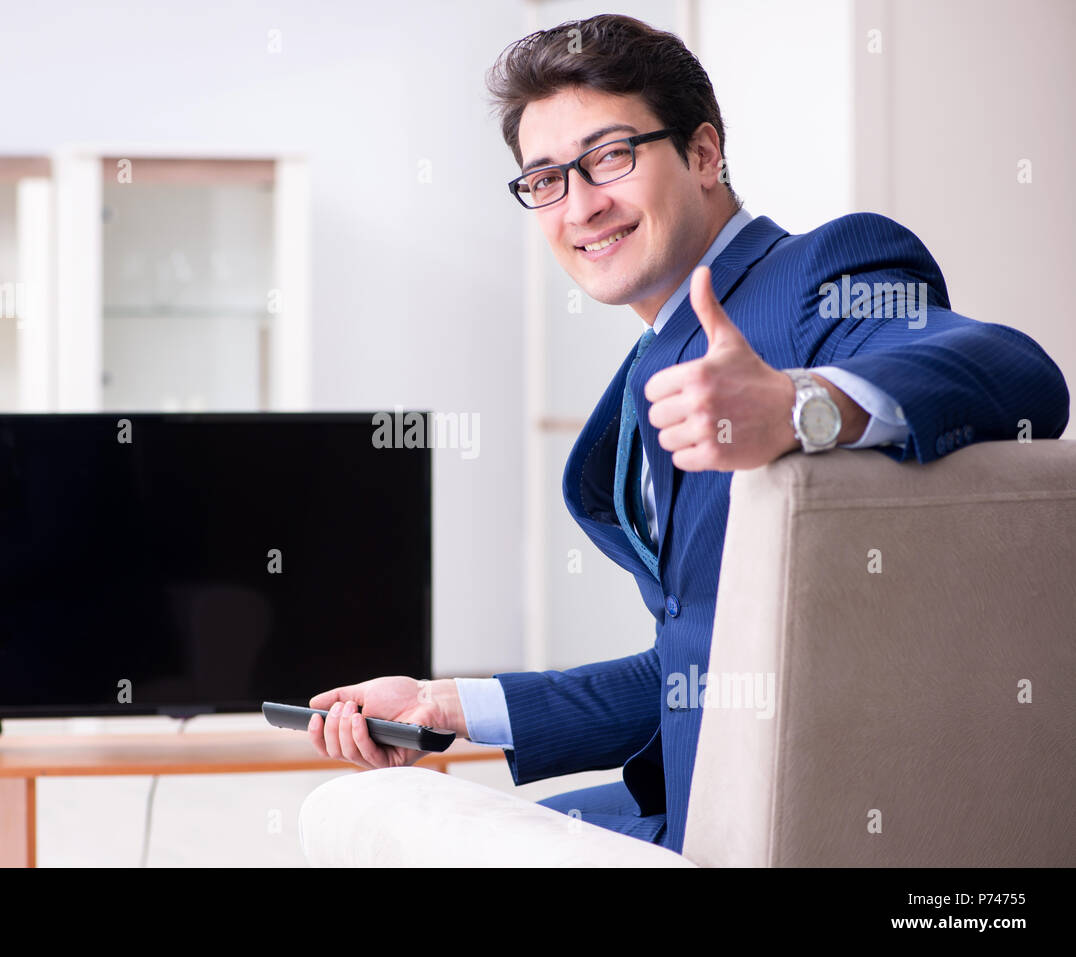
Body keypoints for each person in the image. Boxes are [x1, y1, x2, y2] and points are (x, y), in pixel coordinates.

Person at [305, 14, 1070, 855]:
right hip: (688, 798)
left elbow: (1014, 368)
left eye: (609, 157)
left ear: (704, 153)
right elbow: (695, 666)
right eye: (547, 179)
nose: (582, 205)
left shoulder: (819, 276)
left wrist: (798, 405)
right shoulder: (653, 359)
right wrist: (448, 704)